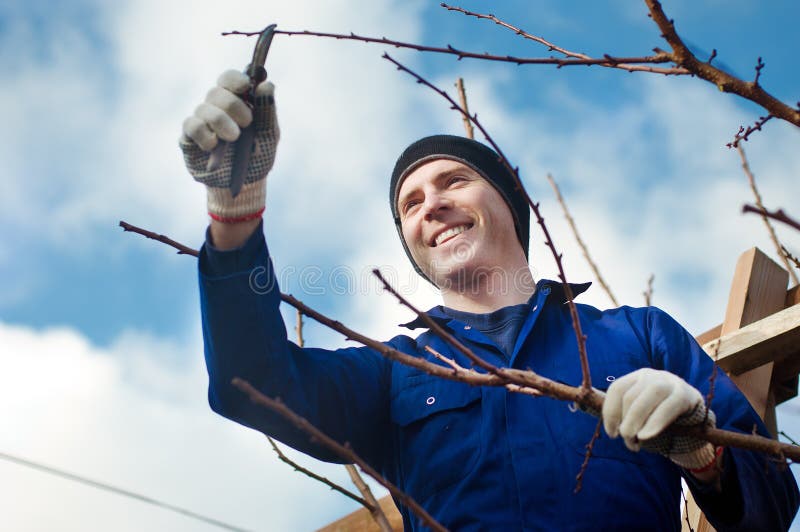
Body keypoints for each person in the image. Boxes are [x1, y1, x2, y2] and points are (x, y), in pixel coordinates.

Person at [180, 70, 799, 531]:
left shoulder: (640, 337)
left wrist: (705, 455)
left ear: (509, 204)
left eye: (453, 181)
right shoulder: (392, 375)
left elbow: (773, 507)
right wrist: (234, 218)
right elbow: (248, 382)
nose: (432, 205)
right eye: (411, 204)